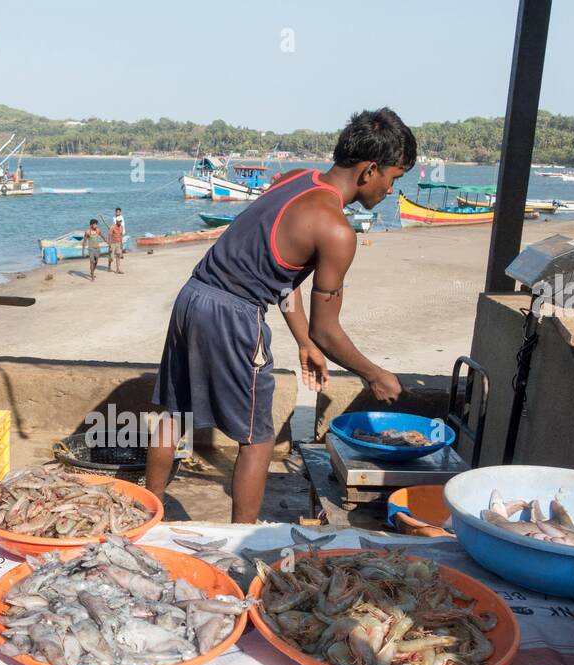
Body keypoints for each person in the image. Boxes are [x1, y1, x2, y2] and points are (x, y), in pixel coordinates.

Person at [146, 108, 415, 523]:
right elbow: (329, 331)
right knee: (257, 439)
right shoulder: (337, 231)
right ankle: (241, 541)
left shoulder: (295, 180)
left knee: (175, 413)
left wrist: (302, 342)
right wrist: (374, 374)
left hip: (192, 296)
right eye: (394, 179)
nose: (391, 190)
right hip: (235, 317)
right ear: (370, 170)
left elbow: (282, 276)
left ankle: (149, 512)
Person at [107, 209, 125, 275]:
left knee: (118, 256)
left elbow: (121, 236)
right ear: (116, 221)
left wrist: (121, 245)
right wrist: (109, 245)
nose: (120, 222)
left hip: (118, 243)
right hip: (112, 243)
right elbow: (109, 236)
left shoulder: (121, 227)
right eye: (119, 221)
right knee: (111, 257)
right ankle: (109, 266)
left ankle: (118, 269)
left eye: (121, 221)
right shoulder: (112, 227)